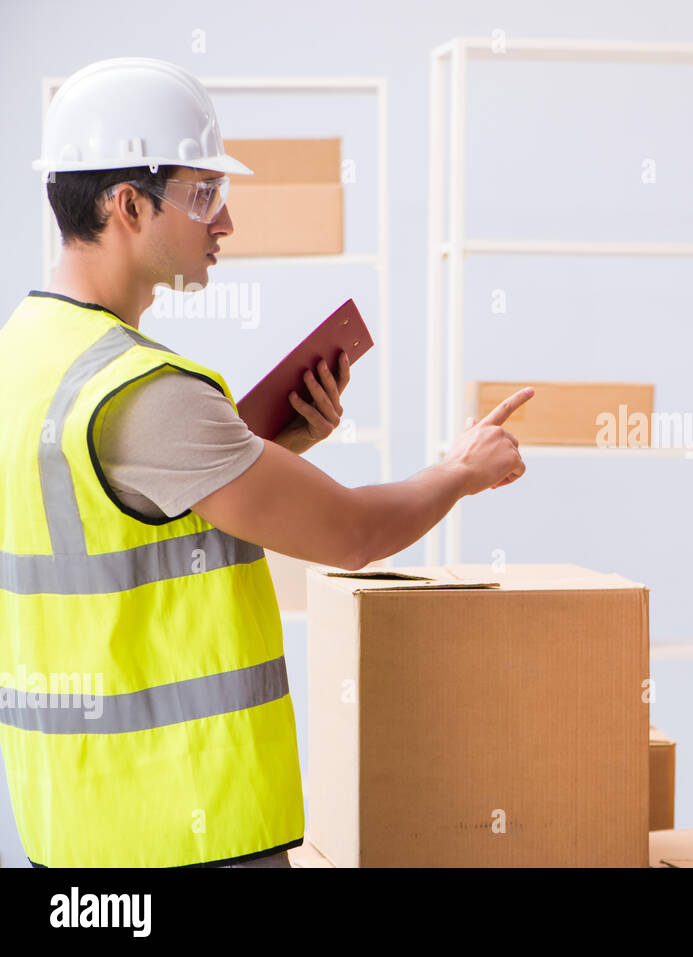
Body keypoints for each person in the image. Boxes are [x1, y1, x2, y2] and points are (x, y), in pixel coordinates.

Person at [0, 57, 529, 867]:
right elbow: (352, 534)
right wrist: (462, 469)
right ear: (129, 205)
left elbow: (111, 528)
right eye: (203, 194)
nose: (225, 224)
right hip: (187, 828)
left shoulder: (24, 357)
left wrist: (269, 449)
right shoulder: (143, 394)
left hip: (76, 832)